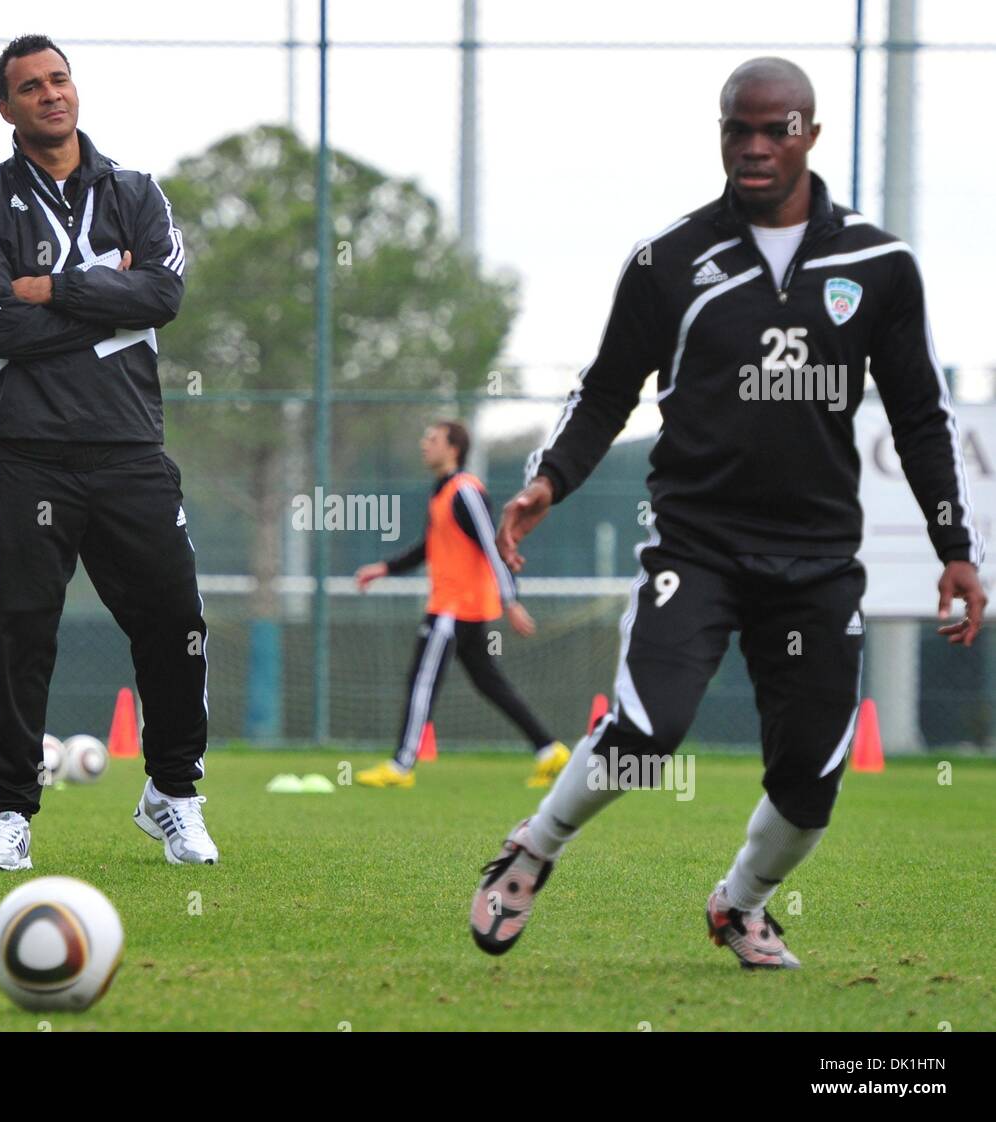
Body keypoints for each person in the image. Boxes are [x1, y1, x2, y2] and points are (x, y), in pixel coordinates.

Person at [470, 58, 986, 968]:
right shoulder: (667, 260)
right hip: (696, 546)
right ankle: (533, 849)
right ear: (720, 134)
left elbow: (920, 416)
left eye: (774, 129)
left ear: (810, 135)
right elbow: (603, 394)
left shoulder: (879, 264)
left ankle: (740, 904)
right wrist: (550, 479)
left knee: (811, 781)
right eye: (736, 130)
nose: (754, 148)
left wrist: (956, 546)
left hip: (820, 560)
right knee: (647, 731)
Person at [0, 34, 217, 870]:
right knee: (23, 633)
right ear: (7, 109)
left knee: (175, 624)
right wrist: (113, 296)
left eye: (59, 79)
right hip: (27, 451)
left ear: (76, 89)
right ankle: (11, 814)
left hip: (130, 447)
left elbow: (165, 293)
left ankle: (173, 794)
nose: (50, 94)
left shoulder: (136, 192)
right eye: (30, 87)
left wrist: (58, 288)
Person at [355, 421, 570, 789]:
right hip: (462, 607)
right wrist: (385, 568)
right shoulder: (442, 493)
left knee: (421, 681)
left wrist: (511, 600)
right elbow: (430, 546)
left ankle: (401, 766)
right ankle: (550, 752)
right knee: (489, 682)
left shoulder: (465, 491)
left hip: (454, 608)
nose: (424, 444)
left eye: (432, 438)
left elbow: (493, 545)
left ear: (453, 448)